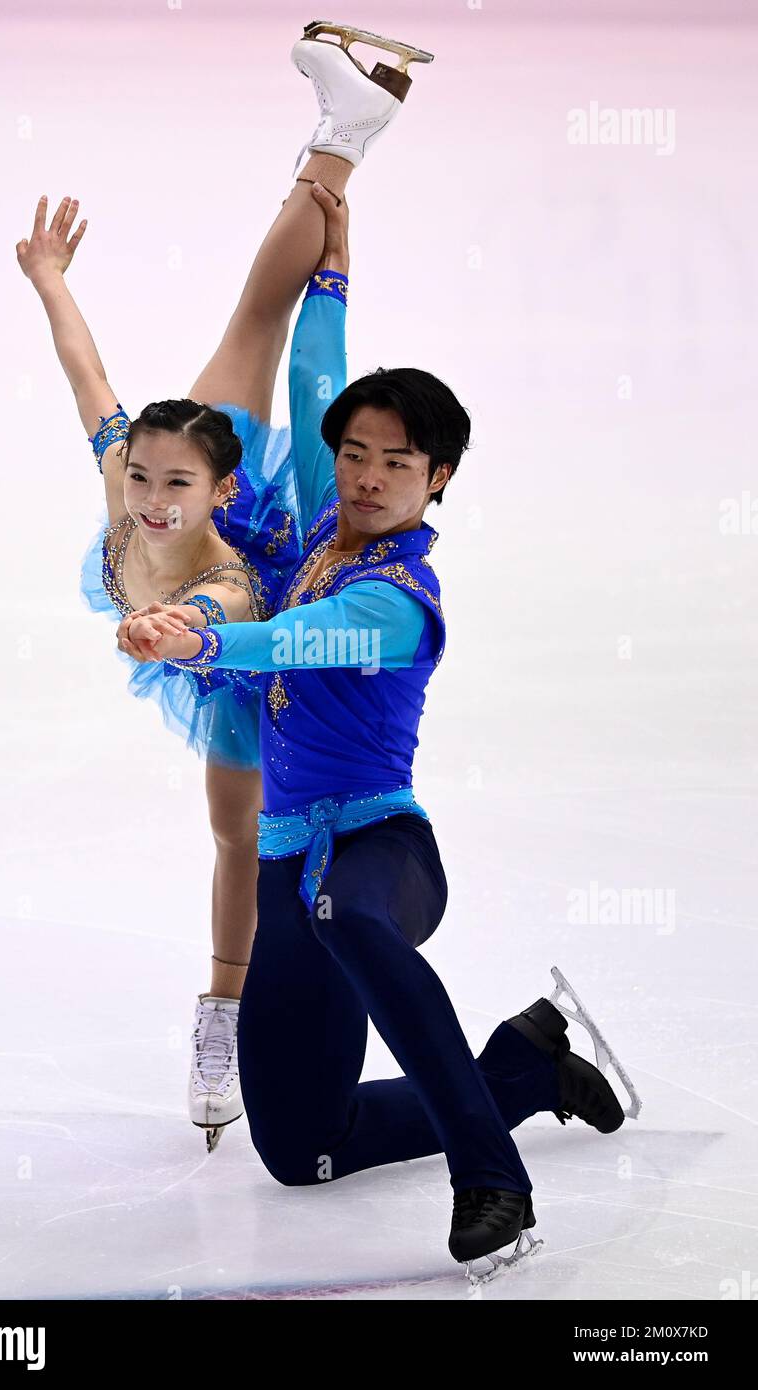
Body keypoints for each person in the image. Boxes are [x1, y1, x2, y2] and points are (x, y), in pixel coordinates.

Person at [115, 244, 637, 1271]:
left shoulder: (395, 600)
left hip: (381, 853)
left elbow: (301, 640)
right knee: (301, 1150)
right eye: (354, 453)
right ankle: (524, 1070)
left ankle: (493, 1180)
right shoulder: (323, 528)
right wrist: (330, 276)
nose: (366, 475)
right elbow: (319, 378)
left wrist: (201, 638)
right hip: (283, 869)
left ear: (437, 479)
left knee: (345, 910)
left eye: (397, 462)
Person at [15, 20, 437, 1151]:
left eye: (171, 485)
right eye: (142, 478)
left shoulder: (229, 572)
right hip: (214, 481)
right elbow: (88, 374)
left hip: (243, 606)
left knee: (236, 834)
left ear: (216, 484)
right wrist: (51, 279)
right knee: (259, 316)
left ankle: (222, 1006)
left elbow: (223, 615)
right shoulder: (139, 472)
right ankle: (347, 130)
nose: (149, 502)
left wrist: (171, 621)